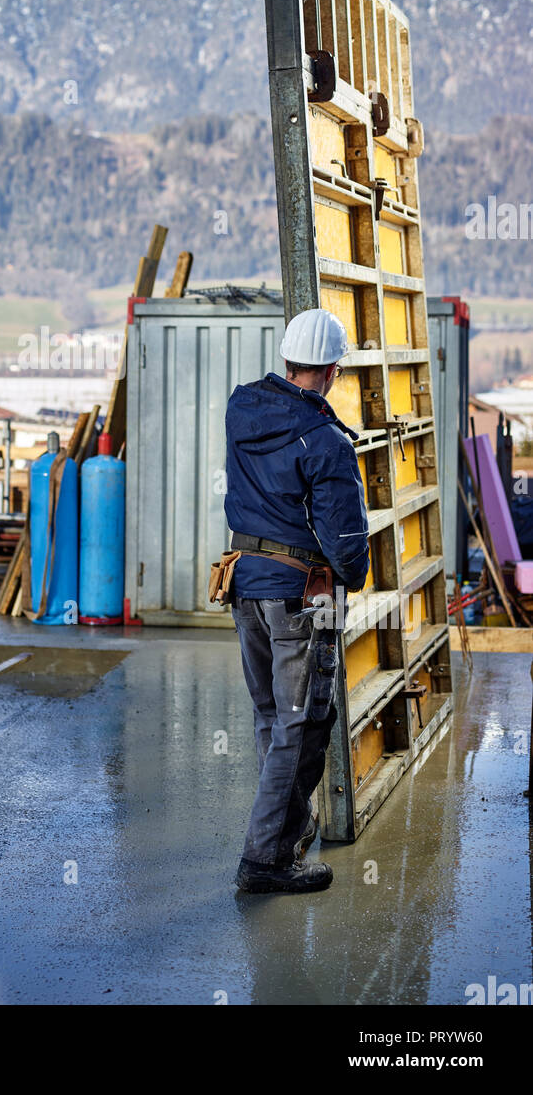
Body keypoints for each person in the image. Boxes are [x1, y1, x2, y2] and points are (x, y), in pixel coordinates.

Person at [224, 307, 369, 894]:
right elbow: (346, 543)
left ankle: (285, 831)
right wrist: (351, 576)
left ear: (287, 359)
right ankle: (265, 860)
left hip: (245, 584)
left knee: (271, 719)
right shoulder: (327, 441)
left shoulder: (243, 409)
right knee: (304, 723)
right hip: (299, 595)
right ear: (333, 370)